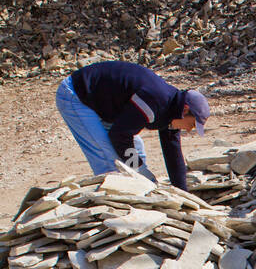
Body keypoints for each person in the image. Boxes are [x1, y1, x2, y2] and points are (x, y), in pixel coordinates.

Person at [55, 61, 210, 192]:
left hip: (105, 102)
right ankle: (112, 214)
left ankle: (137, 196)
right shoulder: (155, 101)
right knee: (110, 163)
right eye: (191, 124)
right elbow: (120, 135)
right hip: (76, 94)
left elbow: (173, 154)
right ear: (185, 110)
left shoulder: (172, 109)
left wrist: (182, 194)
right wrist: (139, 169)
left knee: (137, 153)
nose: (189, 129)